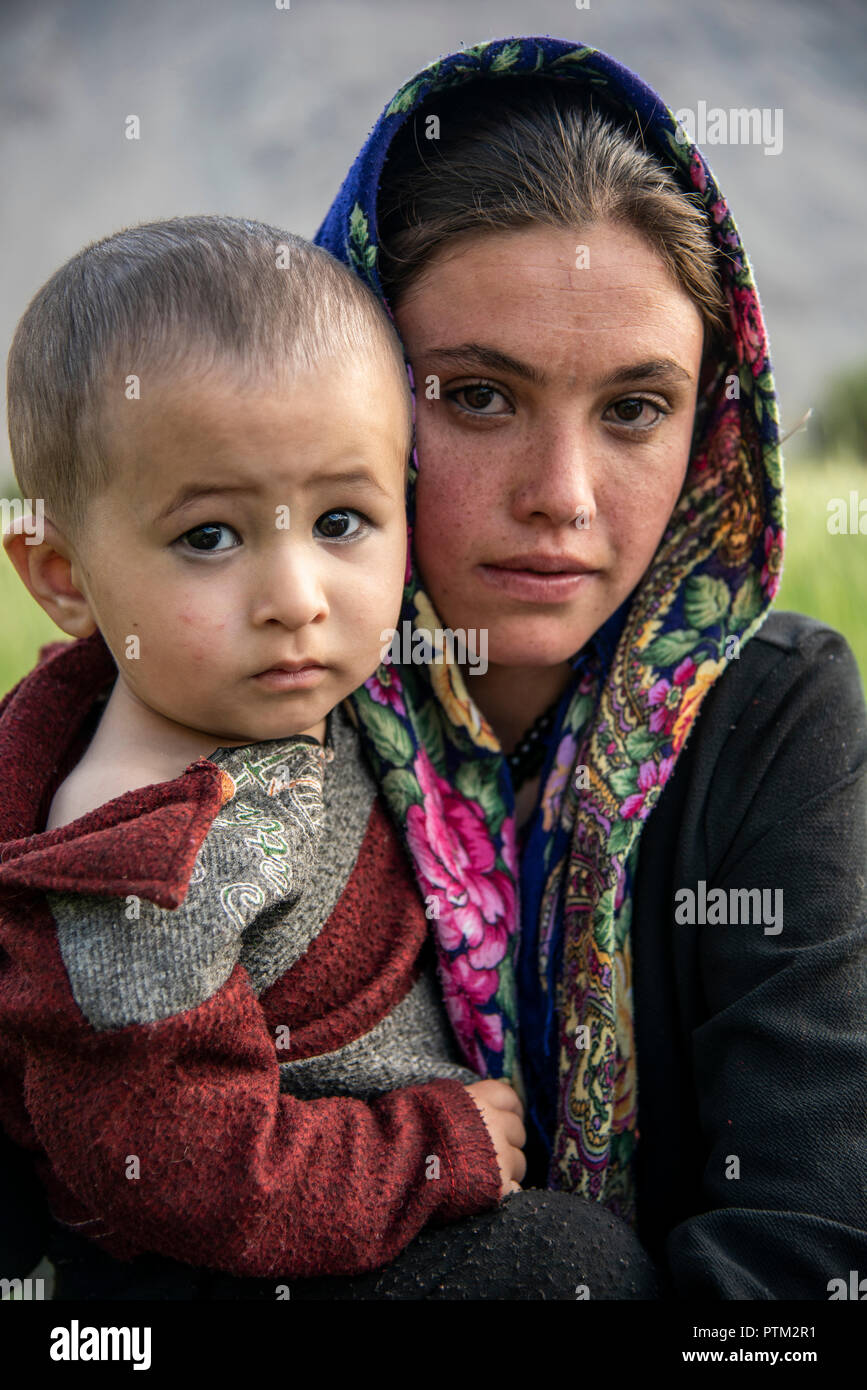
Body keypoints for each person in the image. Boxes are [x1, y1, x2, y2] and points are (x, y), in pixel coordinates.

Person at [0, 211, 663, 1302]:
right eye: (209, 537)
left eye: (344, 520)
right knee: (577, 1269)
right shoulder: (137, 869)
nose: (297, 600)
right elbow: (179, 1173)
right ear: (65, 575)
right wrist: (433, 1150)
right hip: (260, 1253)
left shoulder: (310, 700)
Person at [310, 36, 867, 1298]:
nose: (561, 498)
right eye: (476, 396)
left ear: (714, 421)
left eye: (633, 409)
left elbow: (811, 1247)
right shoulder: (233, 705)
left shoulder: (775, 717)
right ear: (346, 395)